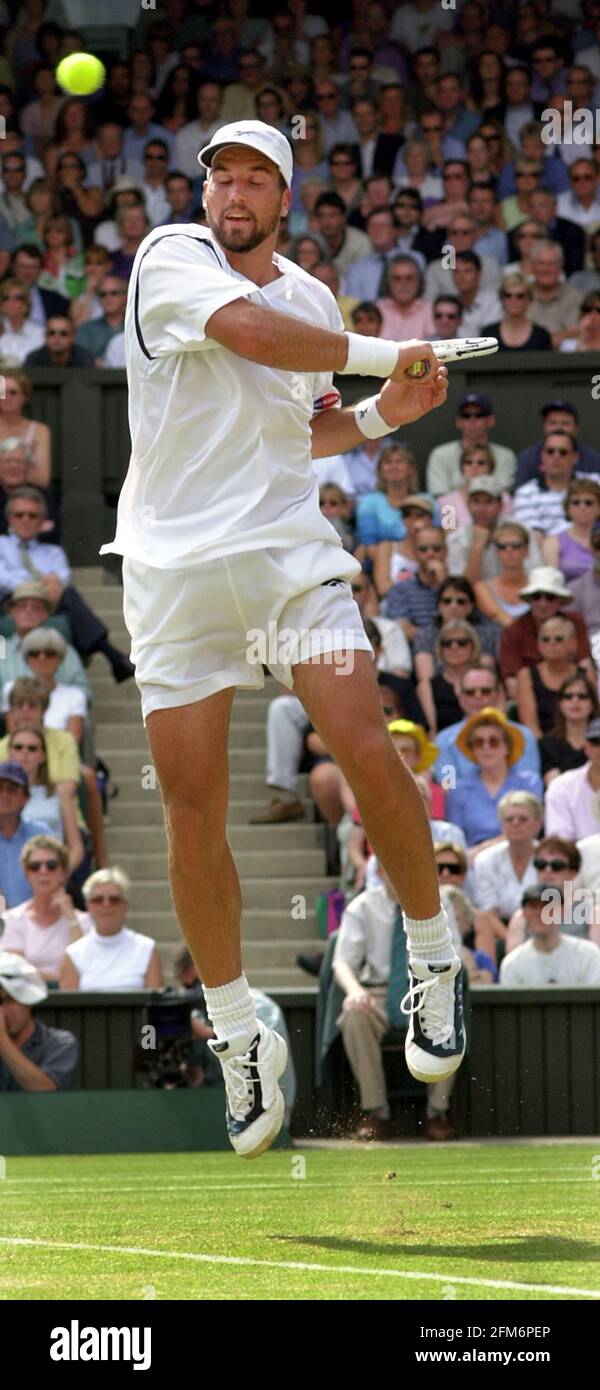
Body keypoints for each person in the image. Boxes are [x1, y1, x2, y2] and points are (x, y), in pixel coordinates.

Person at [100, 118, 465, 1159]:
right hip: (172, 572)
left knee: (363, 740)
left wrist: (388, 412)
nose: (233, 193)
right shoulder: (169, 256)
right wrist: (392, 352)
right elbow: (250, 338)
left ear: (285, 198)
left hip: (285, 558)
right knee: (190, 806)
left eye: (257, 178)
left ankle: (433, 958)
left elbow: (304, 425)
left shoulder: (312, 298)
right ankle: (236, 1029)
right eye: (222, 176)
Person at [333, 863, 458, 1142]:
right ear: (379, 872)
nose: (402, 871)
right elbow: (342, 962)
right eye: (392, 865)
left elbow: (454, 956)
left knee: (447, 1017)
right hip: (376, 993)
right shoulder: (361, 906)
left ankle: (438, 1113)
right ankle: (376, 1113)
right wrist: (354, 991)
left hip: (428, 988)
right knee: (354, 1017)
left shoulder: (440, 903)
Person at [445, 708, 543, 849]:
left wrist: (487, 848)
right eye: (479, 742)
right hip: (473, 864)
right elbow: (456, 838)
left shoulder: (529, 782)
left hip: (519, 851)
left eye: (494, 741)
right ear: (472, 750)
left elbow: (532, 829)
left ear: (507, 747)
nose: (486, 747)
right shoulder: (457, 788)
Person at [1, 833, 89, 981]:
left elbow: (85, 964)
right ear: (27, 874)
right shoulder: (12, 919)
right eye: (34, 866)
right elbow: (15, 968)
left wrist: (71, 917)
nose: (43, 871)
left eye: (51, 865)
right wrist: (60, 978)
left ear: (64, 873)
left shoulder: (84, 921)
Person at [59, 868, 164, 990]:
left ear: (125, 905)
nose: (106, 905)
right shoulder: (73, 954)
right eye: (98, 900)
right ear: (88, 906)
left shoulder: (147, 948)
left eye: (114, 900)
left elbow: (157, 1003)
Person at [499, 566, 592, 698]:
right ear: (529, 599)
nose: (543, 604)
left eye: (550, 597)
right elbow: (512, 682)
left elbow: (584, 664)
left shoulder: (575, 622)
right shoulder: (513, 631)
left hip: (574, 696)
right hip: (531, 697)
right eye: (537, 597)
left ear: (560, 600)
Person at [0, 951, 78, 1091]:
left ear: (28, 1002)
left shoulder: (59, 1043)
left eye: (10, 1000)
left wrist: (2, 1040)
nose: (3, 1010)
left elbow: (45, 1090)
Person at [470, 791, 542, 933]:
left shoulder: (549, 859)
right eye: (509, 819)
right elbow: (488, 913)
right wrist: (512, 942)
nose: (515, 823)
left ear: (538, 824)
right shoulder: (485, 860)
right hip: (500, 932)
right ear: (502, 825)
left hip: (543, 926)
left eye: (523, 819)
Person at [499, 884, 600, 986]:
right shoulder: (512, 963)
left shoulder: (588, 955)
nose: (540, 913)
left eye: (547, 907)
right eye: (533, 907)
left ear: (562, 911)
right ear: (524, 913)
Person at [2, 627, 86, 743]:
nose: (42, 658)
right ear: (26, 659)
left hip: (61, 755)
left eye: (50, 654)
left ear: (61, 659)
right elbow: (13, 736)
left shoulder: (75, 696)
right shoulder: (12, 689)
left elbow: (72, 742)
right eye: (34, 653)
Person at [516, 613, 593, 739]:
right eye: (545, 639)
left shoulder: (585, 673)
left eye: (558, 639)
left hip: (583, 744)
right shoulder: (526, 675)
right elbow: (530, 725)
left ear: (573, 643)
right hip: (543, 747)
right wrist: (549, 750)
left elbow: (593, 716)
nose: (551, 644)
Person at [425, 393, 517, 497]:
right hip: (450, 512)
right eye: (466, 415)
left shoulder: (506, 456)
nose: (472, 420)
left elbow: (503, 495)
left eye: (479, 415)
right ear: (458, 421)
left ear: (490, 420)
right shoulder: (440, 454)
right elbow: (439, 497)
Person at [0, 759, 53, 906]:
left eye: (12, 789)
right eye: (0, 788)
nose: (4, 795)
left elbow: (56, 879)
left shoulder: (41, 834)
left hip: (34, 920)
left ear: (25, 798)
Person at [416, 618, 481, 736]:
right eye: (447, 643)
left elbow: (498, 721)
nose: (454, 647)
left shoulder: (487, 681)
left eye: (461, 642)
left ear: (473, 646)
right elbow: (431, 733)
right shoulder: (427, 687)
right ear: (440, 649)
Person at [544, 718, 600, 841]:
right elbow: (559, 842)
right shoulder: (561, 787)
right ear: (586, 747)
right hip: (576, 859)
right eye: (597, 742)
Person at [539, 674, 600, 784]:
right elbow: (554, 785)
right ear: (560, 704)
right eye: (568, 696)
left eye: (582, 696)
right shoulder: (546, 744)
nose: (575, 700)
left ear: (593, 704)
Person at [473, 520, 532, 630]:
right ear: (496, 552)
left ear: (526, 550)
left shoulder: (538, 586)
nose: (509, 550)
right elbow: (501, 618)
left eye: (515, 545)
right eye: (502, 546)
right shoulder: (483, 588)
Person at [0, 370, 51, 488]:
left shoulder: (40, 430)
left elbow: (42, 478)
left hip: (29, 494)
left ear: (24, 397)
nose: (7, 397)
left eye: (13, 392)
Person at [542, 479, 600, 581]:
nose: (582, 507)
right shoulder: (553, 542)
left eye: (588, 503)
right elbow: (552, 583)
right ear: (567, 508)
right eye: (576, 502)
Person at [482, 272, 551, 351]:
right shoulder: (488, 335)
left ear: (529, 299)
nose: (513, 300)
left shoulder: (541, 336)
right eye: (508, 295)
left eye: (520, 296)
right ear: (502, 299)